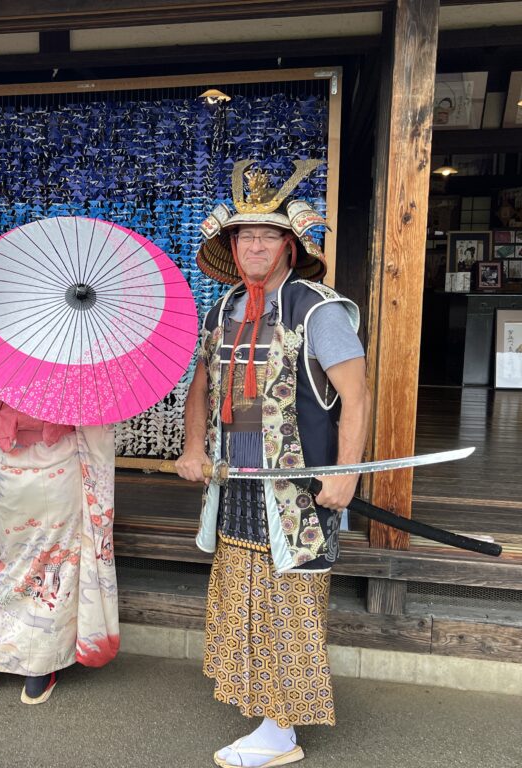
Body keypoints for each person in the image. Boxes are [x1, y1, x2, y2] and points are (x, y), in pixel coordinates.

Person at [175, 159, 371, 767]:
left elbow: (358, 396)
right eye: (244, 237)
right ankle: (260, 703)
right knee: (243, 595)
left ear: (289, 246)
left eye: (267, 236)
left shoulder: (319, 311)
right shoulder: (223, 310)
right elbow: (201, 388)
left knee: (289, 601)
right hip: (236, 479)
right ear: (231, 248)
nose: (255, 246)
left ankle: (281, 731)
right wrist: (192, 447)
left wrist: (343, 471)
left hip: (296, 486)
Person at [0, 388, 119, 704]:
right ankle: (38, 673)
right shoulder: (72, 355)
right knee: (54, 567)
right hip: (59, 462)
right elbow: (96, 409)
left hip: (11, 465)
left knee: (15, 563)